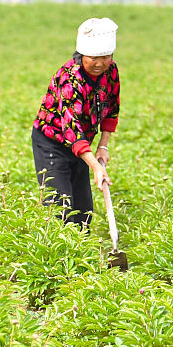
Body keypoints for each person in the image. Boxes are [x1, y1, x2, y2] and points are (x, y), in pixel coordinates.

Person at [31, 17, 120, 229]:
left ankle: (81, 256)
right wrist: (96, 168)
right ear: (81, 55)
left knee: (83, 211)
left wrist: (103, 147)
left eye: (105, 57)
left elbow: (112, 110)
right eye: (93, 58)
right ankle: (57, 258)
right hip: (53, 143)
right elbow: (71, 130)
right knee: (60, 207)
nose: (99, 64)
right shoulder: (70, 79)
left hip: (83, 145)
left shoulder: (111, 72)